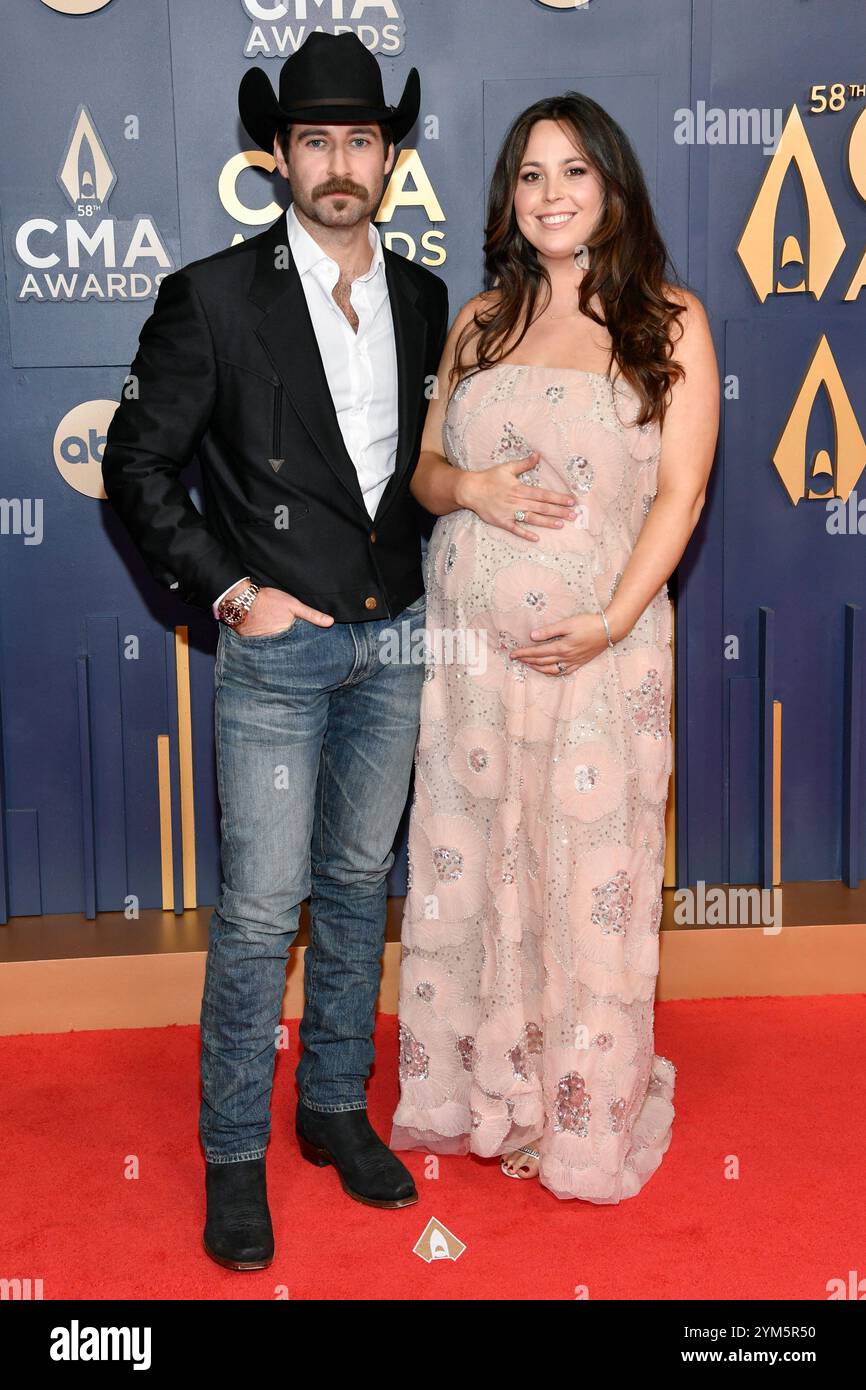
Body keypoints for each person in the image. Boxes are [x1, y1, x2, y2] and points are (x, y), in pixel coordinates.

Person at [101, 32, 449, 1269]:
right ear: (278, 156)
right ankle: (233, 1152)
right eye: (316, 141)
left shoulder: (421, 296)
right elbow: (133, 466)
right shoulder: (211, 295)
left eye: (362, 139)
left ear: (390, 158)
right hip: (277, 651)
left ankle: (334, 1108)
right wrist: (230, 589)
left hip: (394, 638)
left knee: (359, 888)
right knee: (257, 914)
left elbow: (415, 474)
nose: (340, 162)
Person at [389, 92, 719, 1202]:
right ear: (507, 199)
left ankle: (575, 1106)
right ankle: (488, 1088)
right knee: (476, 871)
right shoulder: (477, 322)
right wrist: (471, 487)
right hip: (473, 675)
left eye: (573, 172)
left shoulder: (668, 322)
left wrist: (612, 621)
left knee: (579, 880)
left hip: (595, 666)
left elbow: (679, 494)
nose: (551, 195)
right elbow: (426, 474)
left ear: (612, 187)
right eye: (529, 176)